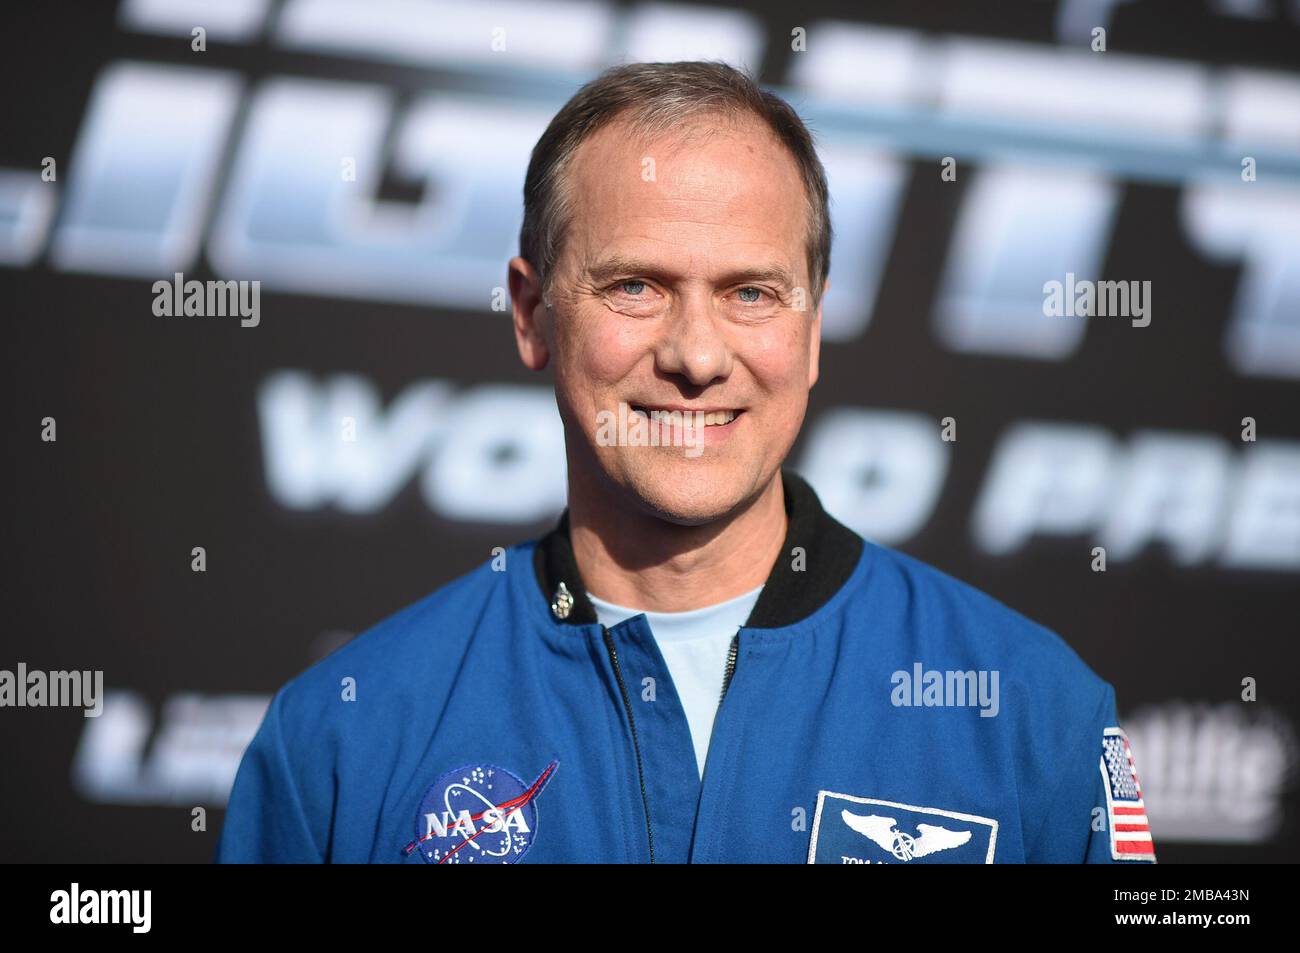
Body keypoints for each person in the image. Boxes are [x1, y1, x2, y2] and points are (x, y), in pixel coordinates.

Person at [216, 60, 1155, 864]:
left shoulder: (1036, 715)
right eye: (635, 286)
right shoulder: (342, 738)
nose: (697, 357)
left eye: (752, 292)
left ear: (813, 329)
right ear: (531, 314)